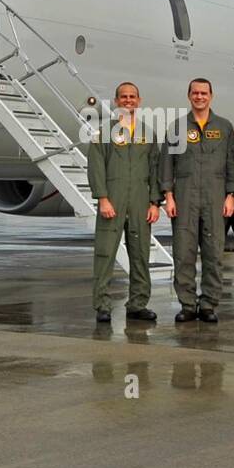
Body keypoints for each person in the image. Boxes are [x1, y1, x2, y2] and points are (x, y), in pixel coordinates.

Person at [162, 77, 234, 323]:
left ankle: (208, 304)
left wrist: (231, 196)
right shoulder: (177, 128)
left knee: (213, 253)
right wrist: (168, 196)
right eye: (195, 93)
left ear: (211, 96)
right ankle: (187, 304)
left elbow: (232, 164)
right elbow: (166, 164)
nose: (199, 97)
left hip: (215, 197)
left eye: (204, 93)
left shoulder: (224, 127)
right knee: (183, 253)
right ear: (189, 96)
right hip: (184, 198)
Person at [89, 82, 162, 324]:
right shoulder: (103, 133)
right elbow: (96, 166)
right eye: (123, 97)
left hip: (141, 203)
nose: (128, 100)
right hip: (113, 201)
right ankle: (102, 305)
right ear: (117, 101)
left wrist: (154, 203)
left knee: (140, 255)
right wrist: (102, 198)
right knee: (105, 254)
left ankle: (138, 304)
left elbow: (155, 170)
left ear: (138, 101)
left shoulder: (147, 134)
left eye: (132, 97)